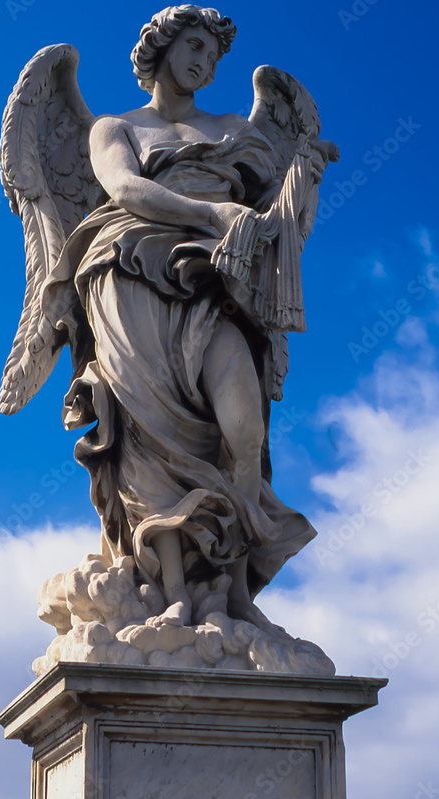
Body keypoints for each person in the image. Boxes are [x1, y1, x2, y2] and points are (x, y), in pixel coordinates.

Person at [39, 5, 328, 628]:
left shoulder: (232, 128)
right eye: (194, 46)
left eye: (213, 55)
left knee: (243, 429)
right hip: (128, 271)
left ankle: (232, 588)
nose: (204, 62)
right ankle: (173, 597)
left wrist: (300, 181)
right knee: (146, 437)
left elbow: (271, 224)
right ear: (162, 48)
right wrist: (212, 215)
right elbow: (124, 191)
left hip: (216, 286)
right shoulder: (114, 128)